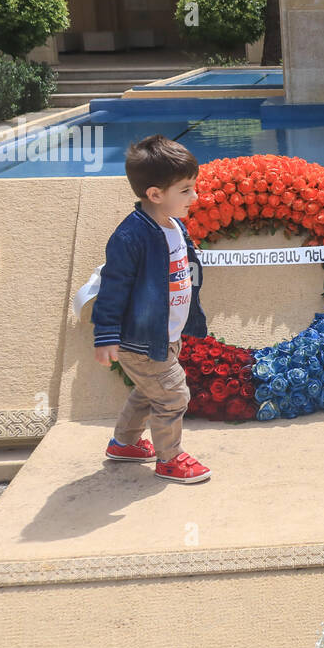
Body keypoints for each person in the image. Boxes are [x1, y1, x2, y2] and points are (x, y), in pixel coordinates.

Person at [92, 135, 212, 483]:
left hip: (165, 334)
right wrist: (106, 335)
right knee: (173, 395)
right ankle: (170, 459)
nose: (196, 197)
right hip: (140, 338)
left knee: (148, 391)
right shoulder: (131, 237)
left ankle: (124, 444)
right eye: (187, 190)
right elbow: (113, 288)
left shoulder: (174, 226)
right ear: (156, 194)